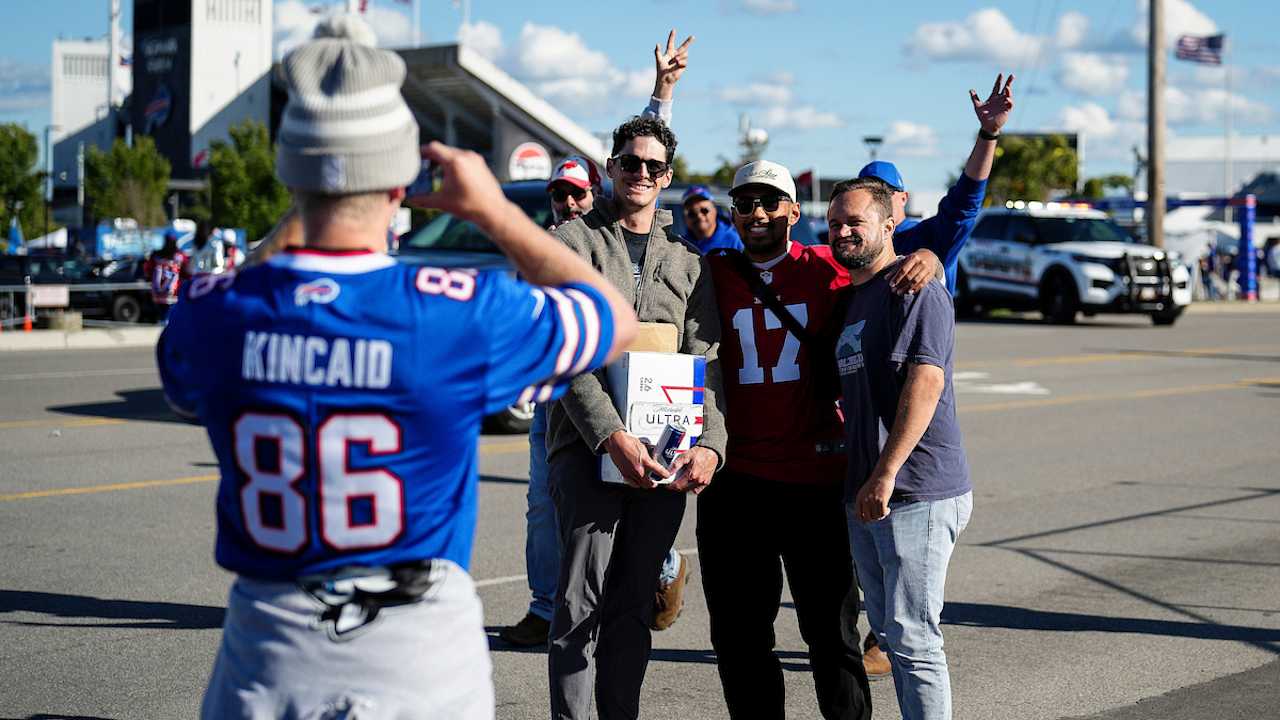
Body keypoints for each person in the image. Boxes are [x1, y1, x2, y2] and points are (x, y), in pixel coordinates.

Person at [156, 19, 637, 718]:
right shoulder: (455, 314)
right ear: (396, 184)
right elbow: (610, 317)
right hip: (417, 657)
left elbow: (186, 374)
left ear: (291, 172)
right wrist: (497, 213)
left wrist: (304, 200)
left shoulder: (212, 312)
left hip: (267, 651)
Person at [501, 30, 694, 649]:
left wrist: (663, 93)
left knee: (645, 508)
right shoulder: (566, 242)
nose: (565, 199)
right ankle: (543, 603)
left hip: (647, 400)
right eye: (556, 192)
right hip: (562, 398)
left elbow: (646, 152)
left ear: (592, 189)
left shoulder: (638, 235)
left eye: (573, 191)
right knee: (544, 503)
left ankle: (660, 570)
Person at [546, 113, 725, 720]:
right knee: (577, 606)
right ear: (610, 167)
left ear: (667, 176)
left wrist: (709, 447)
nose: (641, 173)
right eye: (630, 162)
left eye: (654, 166)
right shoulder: (575, 244)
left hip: (666, 459)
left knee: (631, 607)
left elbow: (709, 362)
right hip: (587, 450)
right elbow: (565, 349)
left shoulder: (688, 262)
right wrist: (609, 436)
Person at [700, 160, 872, 720]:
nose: (758, 214)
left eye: (771, 202)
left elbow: (900, 247)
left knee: (832, 635)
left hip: (816, 480)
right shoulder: (712, 272)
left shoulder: (830, 268)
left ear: (794, 211)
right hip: (735, 482)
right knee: (740, 638)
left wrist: (926, 257)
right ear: (733, 213)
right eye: (746, 204)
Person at [829, 177, 973, 720]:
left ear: (890, 226)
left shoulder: (913, 288)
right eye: (836, 222)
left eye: (855, 222)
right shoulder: (857, 294)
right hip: (868, 492)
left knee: (914, 637)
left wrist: (886, 473)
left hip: (915, 491)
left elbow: (926, 381)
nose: (842, 231)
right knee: (891, 630)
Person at [855, 74, 1016, 297]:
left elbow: (963, 205)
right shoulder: (857, 246)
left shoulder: (928, 236)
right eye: (868, 194)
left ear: (904, 198)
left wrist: (988, 134)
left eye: (884, 192)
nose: (876, 201)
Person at [681, 185, 743, 253]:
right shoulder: (681, 245)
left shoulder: (736, 241)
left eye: (704, 210)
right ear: (685, 218)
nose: (699, 216)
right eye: (691, 213)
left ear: (714, 211)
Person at [143, 229, 186, 325]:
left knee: (166, 322)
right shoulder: (180, 255)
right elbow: (187, 273)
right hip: (169, 296)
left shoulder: (156, 255)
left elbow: (147, 270)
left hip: (165, 296)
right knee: (169, 322)